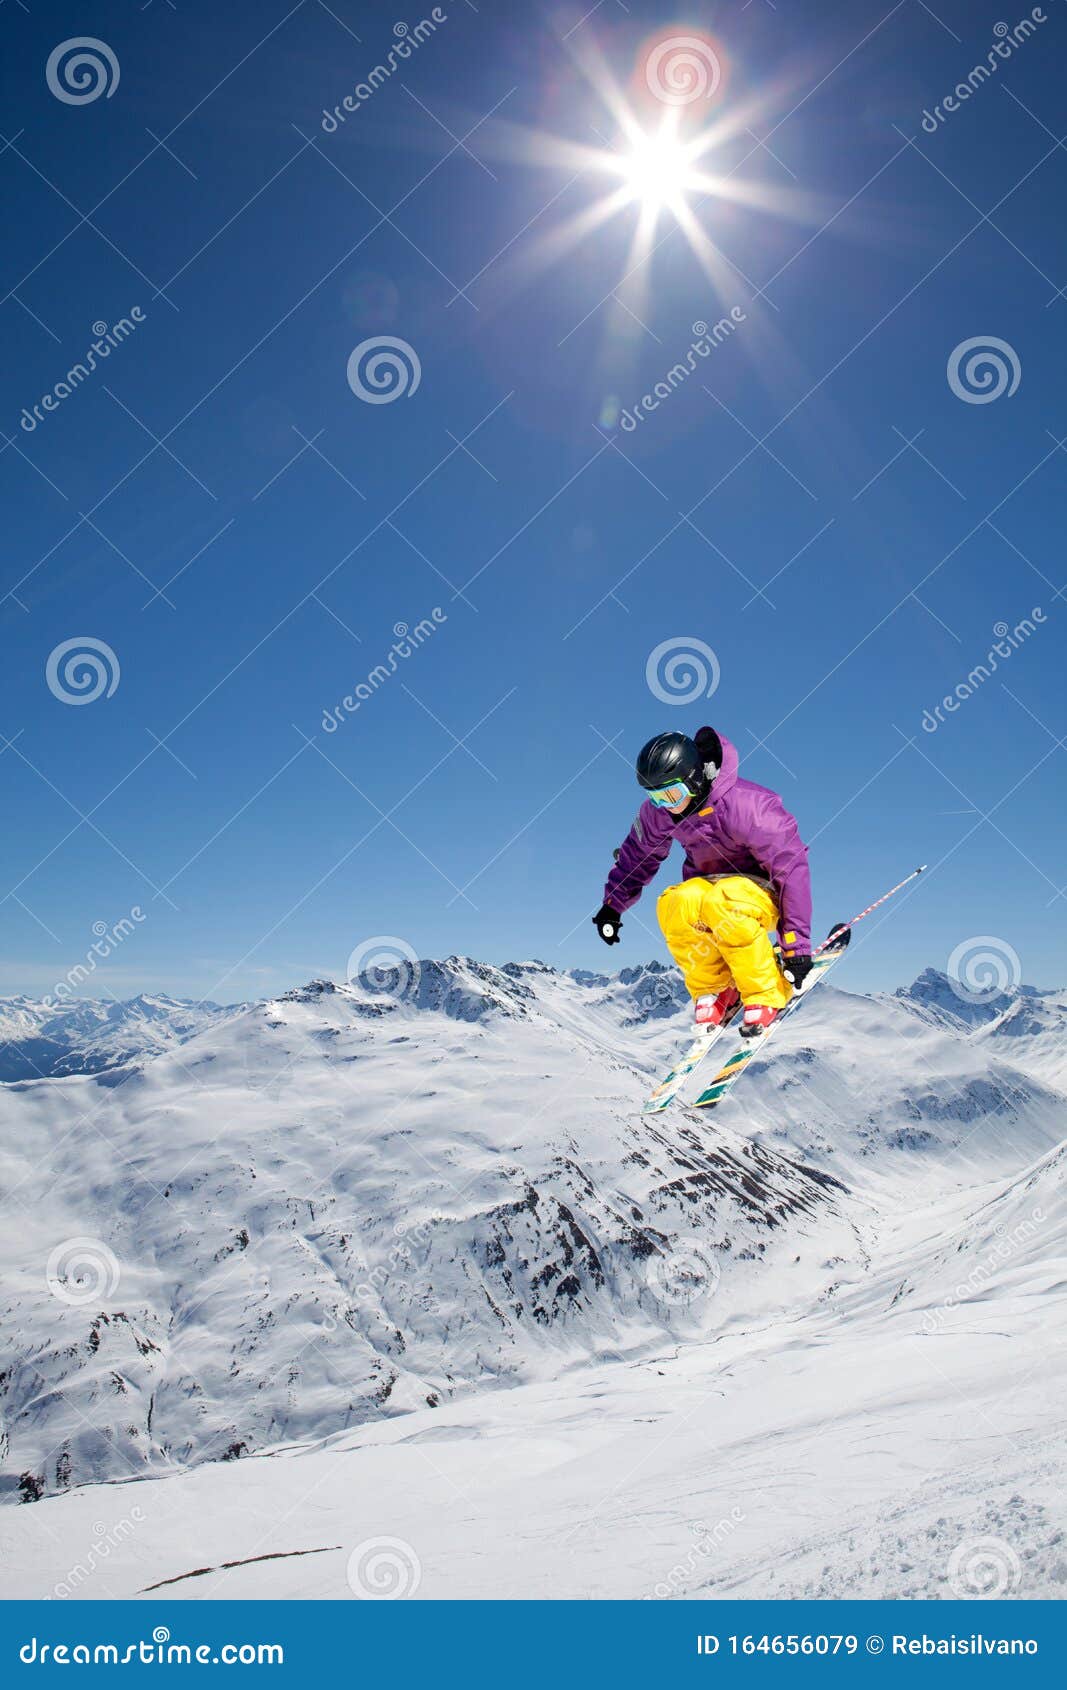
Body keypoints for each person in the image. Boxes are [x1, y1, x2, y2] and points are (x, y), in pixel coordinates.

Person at [592, 728, 814, 1038]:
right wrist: (612, 906)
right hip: (709, 887)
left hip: (762, 891)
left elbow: (791, 868)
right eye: (655, 797)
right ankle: (718, 989)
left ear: (695, 777)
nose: (666, 805)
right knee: (676, 903)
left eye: (671, 794)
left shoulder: (749, 806)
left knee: (724, 899)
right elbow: (638, 854)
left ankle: (767, 991)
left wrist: (795, 945)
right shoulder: (663, 813)